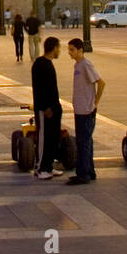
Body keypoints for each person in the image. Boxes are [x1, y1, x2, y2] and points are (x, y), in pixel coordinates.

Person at [65, 39, 104, 184]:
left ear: (80, 50)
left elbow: (101, 83)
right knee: (86, 142)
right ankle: (89, 171)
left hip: (86, 111)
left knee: (83, 142)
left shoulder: (86, 65)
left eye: (72, 50)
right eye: (69, 49)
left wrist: (95, 103)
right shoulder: (78, 65)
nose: (70, 53)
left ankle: (83, 174)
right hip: (80, 109)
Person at [32, 37, 64, 179]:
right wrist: (46, 107)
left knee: (52, 138)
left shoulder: (48, 63)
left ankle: (49, 166)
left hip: (53, 108)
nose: (60, 51)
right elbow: (39, 89)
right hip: (45, 109)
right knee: (44, 138)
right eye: (59, 48)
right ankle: (40, 168)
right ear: (53, 48)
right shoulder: (40, 64)